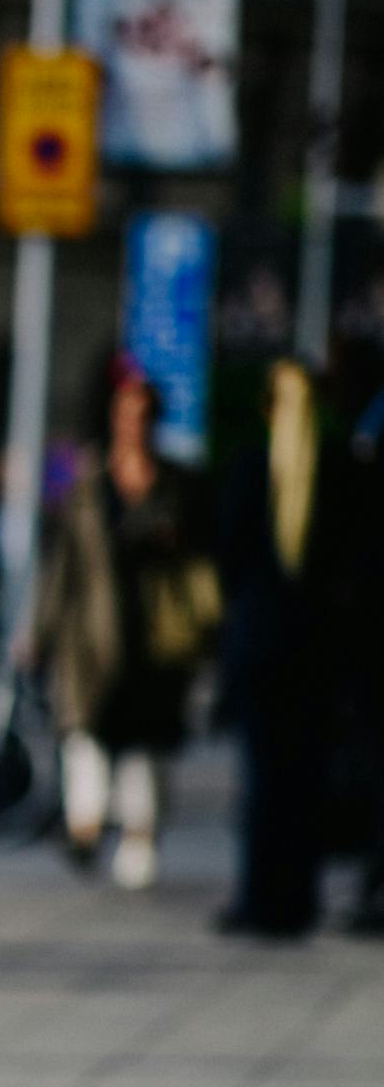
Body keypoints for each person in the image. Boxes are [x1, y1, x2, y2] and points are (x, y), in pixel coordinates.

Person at [30, 355, 216, 892]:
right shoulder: (88, 485)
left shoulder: (181, 485)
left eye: (142, 415)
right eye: (124, 414)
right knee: (85, 731)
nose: (132, 426)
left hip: (156, 633)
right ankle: (85, 826)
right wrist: (39, 631)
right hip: (89, 632)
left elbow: (204, 560)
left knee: (145, 743)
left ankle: (139, 835)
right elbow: (61, 565)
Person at [217, 358, 371, 938]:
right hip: (319, 645)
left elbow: (228, 560)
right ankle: (299, 896)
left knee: (263, 775)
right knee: (306, 774)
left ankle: (262, 898)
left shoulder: (250, 468)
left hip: (260, 644)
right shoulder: (341, 471)